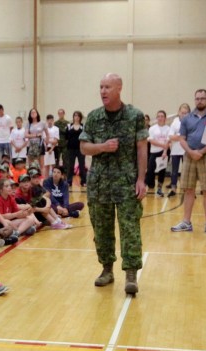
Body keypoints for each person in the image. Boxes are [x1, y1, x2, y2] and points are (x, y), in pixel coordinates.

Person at [79, 73, 148, 295]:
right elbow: (84, 147)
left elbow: (141, 148)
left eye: (107, 87)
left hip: (126, 184)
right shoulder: (93, 117)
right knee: (102, 229)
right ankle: (106, 270)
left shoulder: (135, 116)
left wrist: (141, 179)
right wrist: (102, 147)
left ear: (119, 88)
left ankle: (130, 274)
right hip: (99, 184)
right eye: (101, 87)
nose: (103, 91)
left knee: (130, 229)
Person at [170, 90, 206, 235]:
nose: (199, 101)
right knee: (188, 189)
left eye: (202, 98)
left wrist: (202, 152)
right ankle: (186, 222)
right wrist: (191, 152)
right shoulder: (187, 118)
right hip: (189, 156)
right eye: (197, 98)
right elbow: (181, 139)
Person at [166, 103, 190, 197]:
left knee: (187, 171)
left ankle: (187, 189)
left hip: (187, 150)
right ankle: (173, 189)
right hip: (175, 150)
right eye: (182, 112)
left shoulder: (190, 122)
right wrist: (181, 137)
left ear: (189, 113)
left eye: (186, 113)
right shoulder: (175, 122)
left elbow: (191, 136)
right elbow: (171, 136)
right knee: (174, 170)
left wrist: (179, 136)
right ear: (179, 112)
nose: (183, 114)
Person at [146, 110, 171, 196]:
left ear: (165, 118)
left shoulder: (168, 129)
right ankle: (151, 185)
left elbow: (168, 141)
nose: (160, 118)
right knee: (150, 169)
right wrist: (162, 144)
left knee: (162, 170)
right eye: (158, 116)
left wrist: (164, 151)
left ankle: (160, 187)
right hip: (154, 151)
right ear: (156, 118)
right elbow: (151, 140)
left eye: (162, 116)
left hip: (164, 152)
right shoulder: (152, 128)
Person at [63, 111, 86, 187]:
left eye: (78, 116)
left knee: (82, 165)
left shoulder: (83, 127)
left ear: (80, 117)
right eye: (75, 116)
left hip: (81, 149)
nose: (76, 117)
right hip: (71, 149)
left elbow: (85, 137)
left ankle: (83, 181)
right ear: (73, 117)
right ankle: (69, 181)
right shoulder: (69, 126)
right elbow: (66, 137)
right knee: (70, 166)